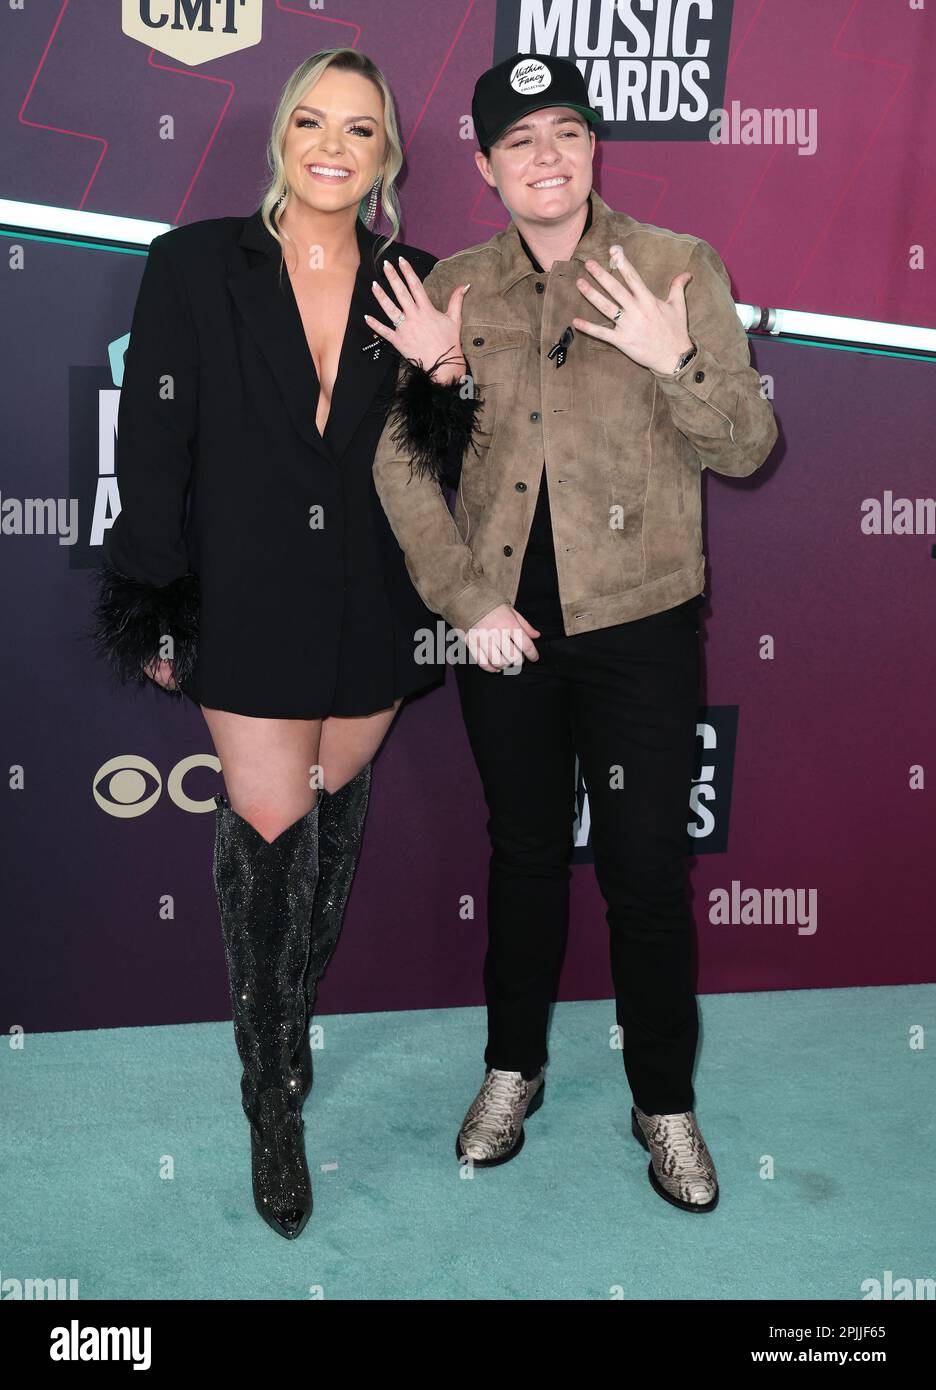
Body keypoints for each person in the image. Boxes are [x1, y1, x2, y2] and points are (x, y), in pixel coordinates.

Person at [370, 52, 779, 1213]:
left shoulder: (674, 267)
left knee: (648, 873)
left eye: (567, 133)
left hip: (641, 624)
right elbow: (403, 470)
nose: (547, 158)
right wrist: (467, 602)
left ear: (595, 146)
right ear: (486, 161)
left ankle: (665, 1103)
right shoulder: (450, 287)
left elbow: (746, 446)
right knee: (524, 858)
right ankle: (513, 1070)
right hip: (505, 632)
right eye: (520, 142)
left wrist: (677, 357)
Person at [87, 48, 476, 1240]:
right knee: (266, 825)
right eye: (313, 120)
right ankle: (271, 1097)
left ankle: (287, 1015)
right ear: (283, 137)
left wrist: (448, 376)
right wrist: (153, 598)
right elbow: (154, 446)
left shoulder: (414, 280)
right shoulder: (197, 262)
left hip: (371, 596)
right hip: (245, 595)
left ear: (387, 158)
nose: (332, 145)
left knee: (331, 801)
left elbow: (441, 470)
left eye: (360, 130)